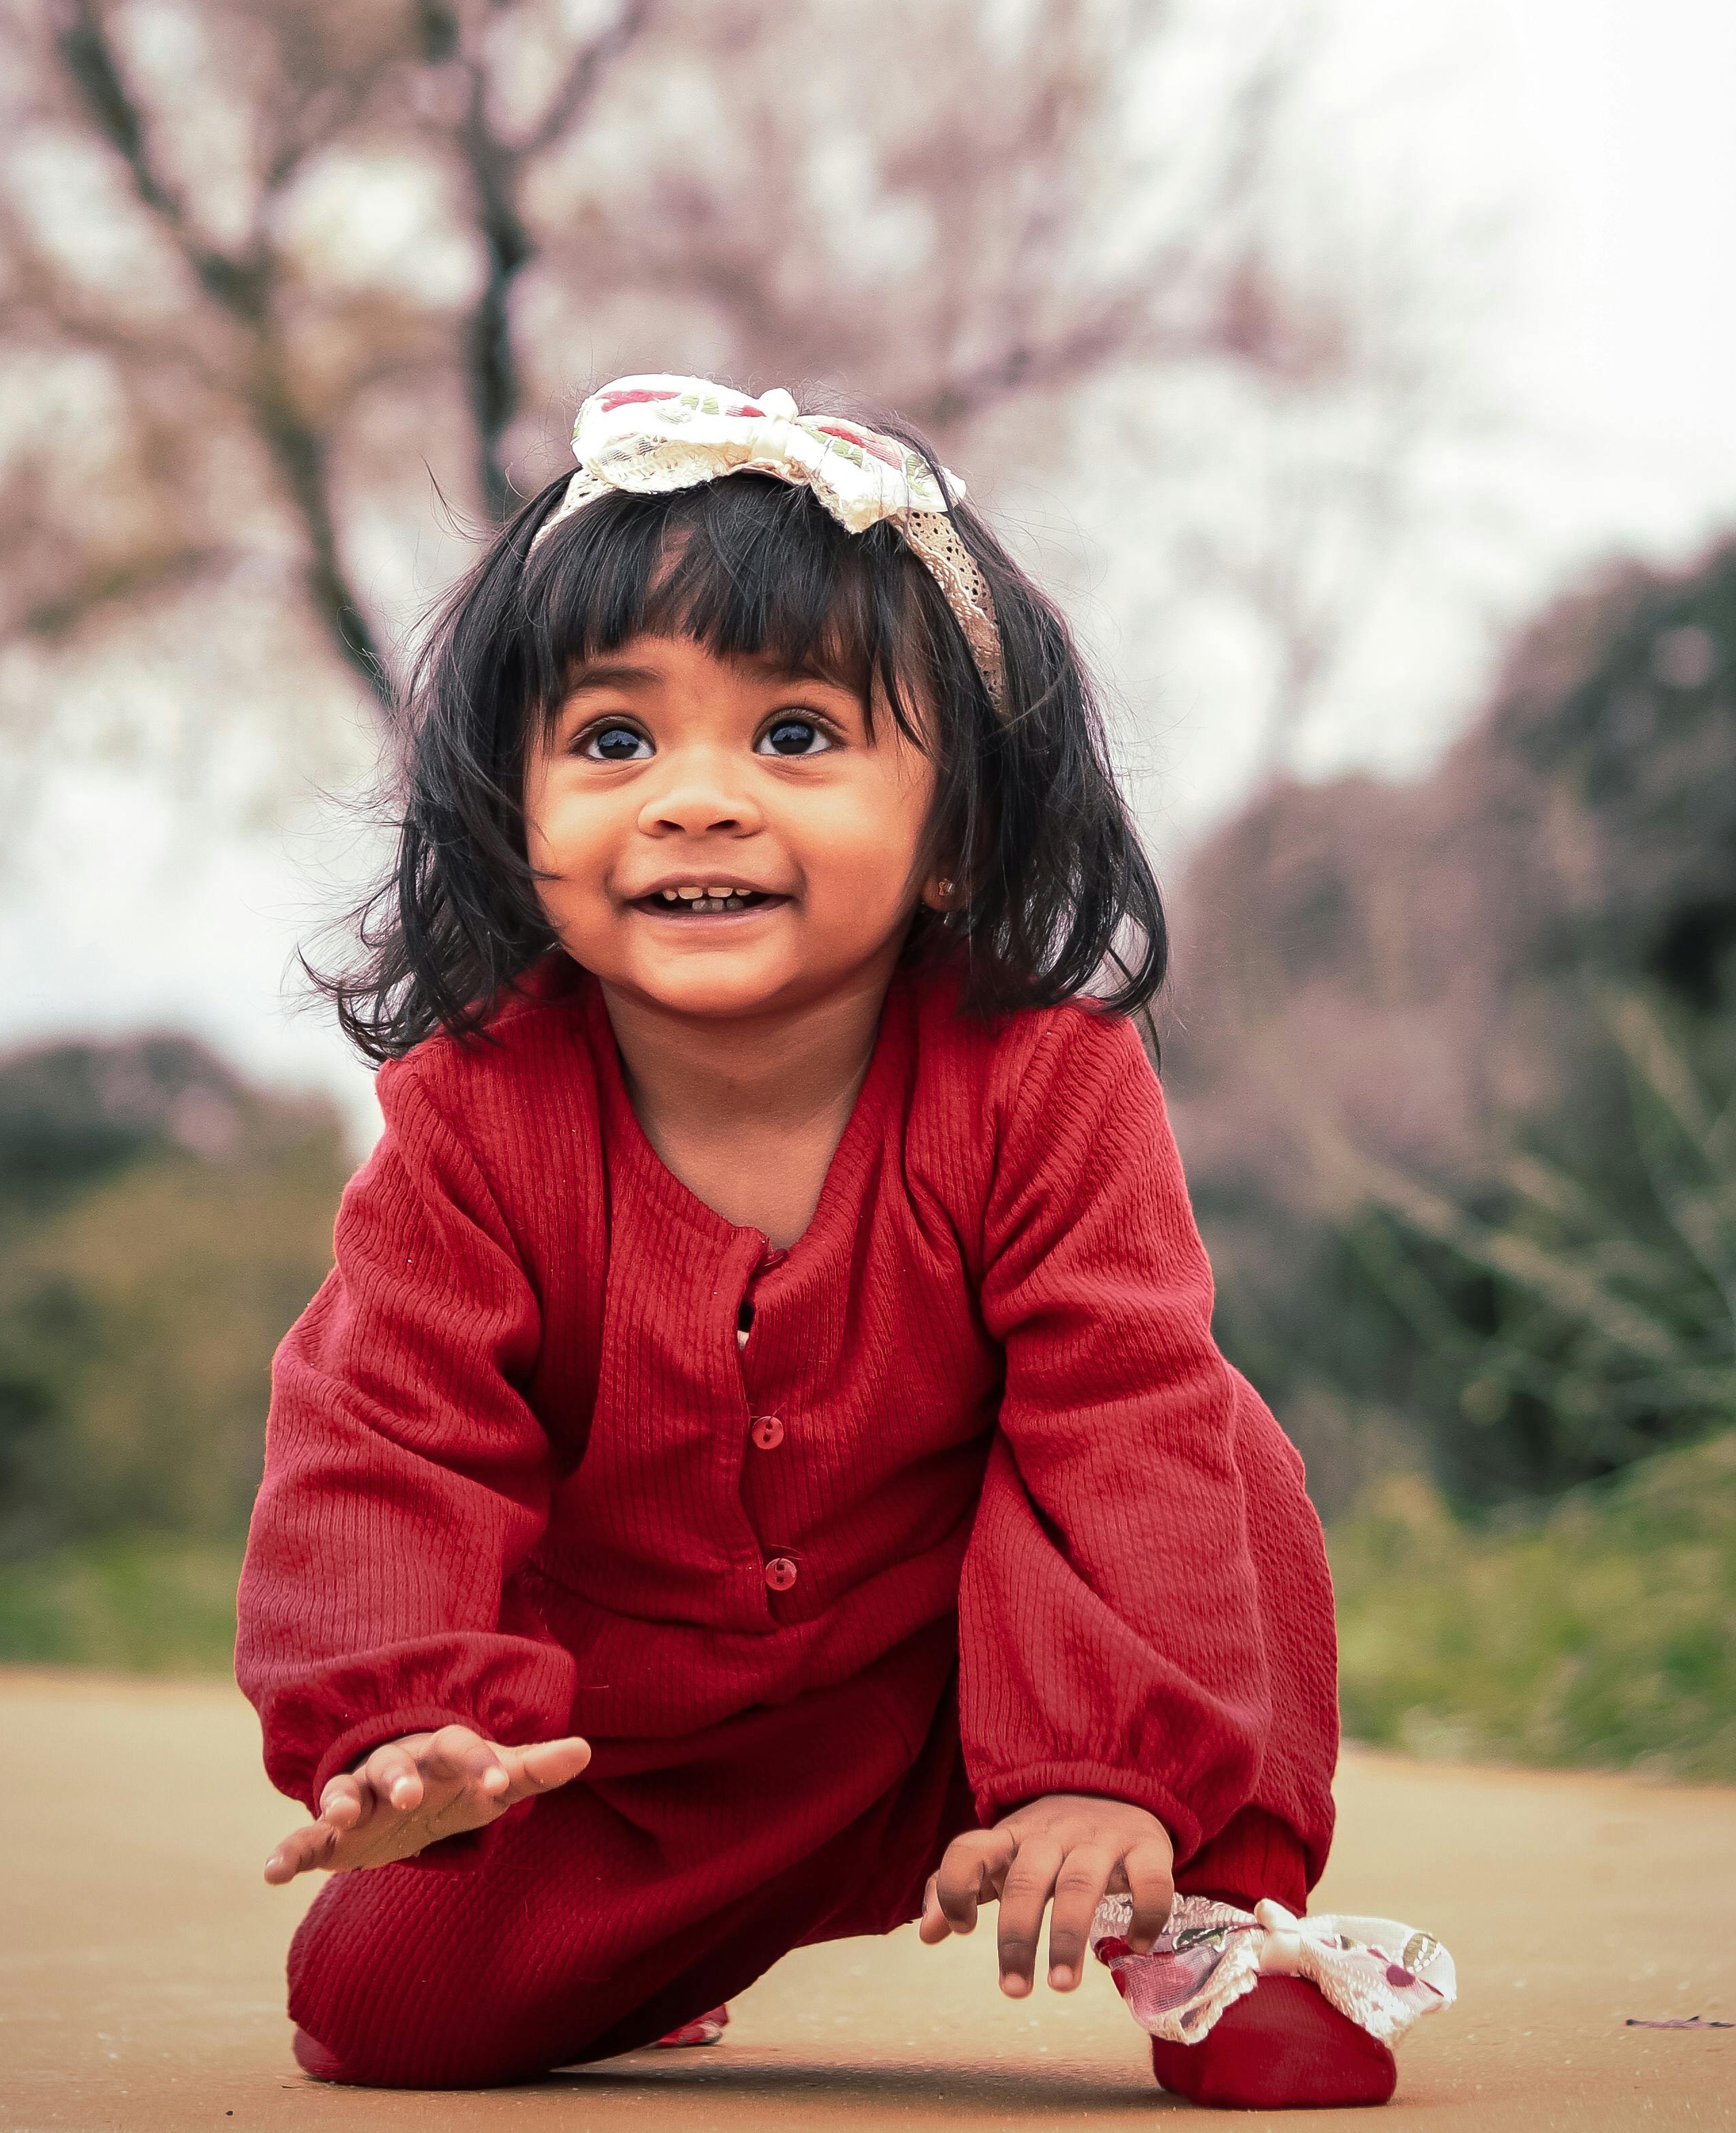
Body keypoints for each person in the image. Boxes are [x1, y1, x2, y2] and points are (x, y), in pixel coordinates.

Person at [237, 375, 1410, 2107]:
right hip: (638, 1757)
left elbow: (1118, 1426)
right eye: (614, 739)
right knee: (377, 2018)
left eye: (794, 735)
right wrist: (414, 1718)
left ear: (954, 838)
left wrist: (1110, 1764)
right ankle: (676, 1947)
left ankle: (1213, 1912)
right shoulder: (474, 1116)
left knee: (1210, 1436)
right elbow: (387, 1433)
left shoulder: (1039, 1082)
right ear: (516, 814)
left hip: (979, 1696)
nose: (693, 798)